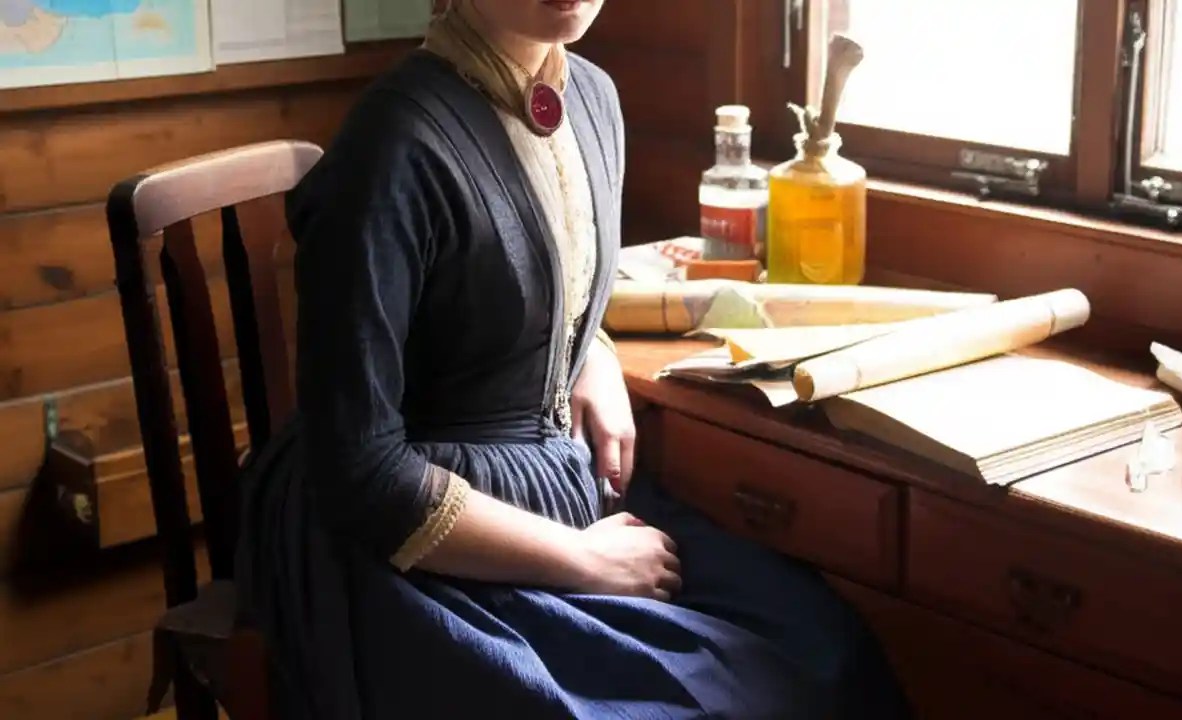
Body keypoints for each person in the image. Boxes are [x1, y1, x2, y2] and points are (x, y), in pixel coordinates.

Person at [234, 1, 908, 717]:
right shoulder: (390, 144)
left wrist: (592, 354)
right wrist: (582, 561)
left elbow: (538, 278)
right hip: (414, 532)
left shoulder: (591, 97)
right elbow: (360, 473)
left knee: (823, 650)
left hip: (560, 474)